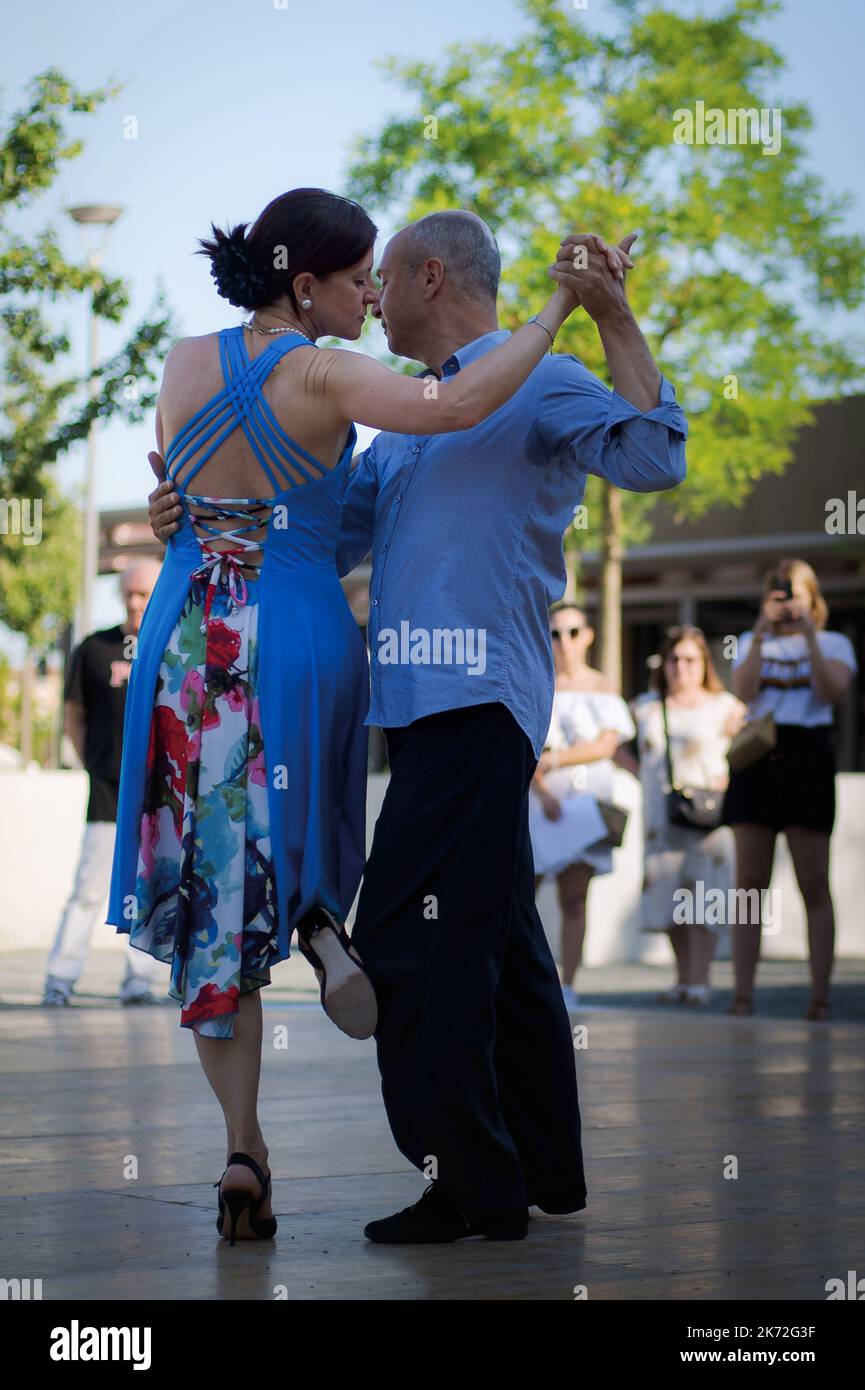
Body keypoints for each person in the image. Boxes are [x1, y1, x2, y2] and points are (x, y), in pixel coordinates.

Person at [148, 209, 687, 1244]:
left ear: (428, 276)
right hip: (422, 717)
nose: (371, 303)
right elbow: (306, 532)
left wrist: (612, 316)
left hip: (481, 705)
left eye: (380, 282)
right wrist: (186, 512)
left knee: (403, 941)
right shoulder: (399, 427)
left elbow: (655, 455)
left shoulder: (538, 377)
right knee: (502, 949)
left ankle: (468, 1184)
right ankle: (545, 1171)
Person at [724, 559, 857, 1020]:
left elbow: (831, 690)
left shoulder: (834, 641)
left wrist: (808, 636)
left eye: (794, 594)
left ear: (812, 597)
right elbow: (743, 691)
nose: (786, 603)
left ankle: (819, 996)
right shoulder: (749, 641)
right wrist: (762, 631)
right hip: (758, 757)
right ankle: (743, 995)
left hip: (807, 757)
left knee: (814, 882)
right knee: (748, 886)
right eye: (779, 595)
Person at [43, 562, 164, 1008]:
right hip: (108, 792)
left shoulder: (172, 645)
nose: (136, 603)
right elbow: (73, 714)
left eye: (145, 594)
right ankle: (59, 978)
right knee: (88, 890)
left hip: (159, 794)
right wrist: (91, 763)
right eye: (129, 594)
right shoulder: (94, 649)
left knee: (152, 888)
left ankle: (140, 982)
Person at [529, 602, 635, 1008]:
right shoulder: (536, 682)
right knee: (521, 898)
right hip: (537, 802)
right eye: (556, 633)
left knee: (574, 897)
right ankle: (522, 981)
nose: (564, 642)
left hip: (583, 805)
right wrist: (541, 787)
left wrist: (553, 761)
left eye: (573, 632)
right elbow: (524, 746)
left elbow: (606, 745)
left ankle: (568, 984)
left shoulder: (603, 688)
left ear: (588, 636)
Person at [632, 627, 743, 1006]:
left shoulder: (725, 705)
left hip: (709, 812)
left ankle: (701, 978)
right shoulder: (646, 705)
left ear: (704, 664)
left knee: (705, 893)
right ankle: (682, 977)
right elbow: (619, 745)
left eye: (690, 659)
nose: (682, 667)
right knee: (672, 895)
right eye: (675, 659)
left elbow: (751, 743)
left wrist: (731, 774)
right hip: (662, 817)